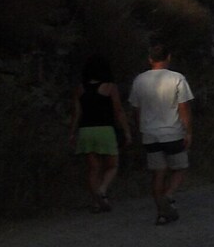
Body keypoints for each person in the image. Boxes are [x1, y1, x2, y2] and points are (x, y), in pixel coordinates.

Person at [130, 44, 193, 226]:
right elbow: (183, 107)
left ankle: (161, 211)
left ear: (150, 59)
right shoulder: (177, 79)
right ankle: (168, 195)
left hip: (150, 133)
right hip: (172, 132)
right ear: (168, 57)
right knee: (180, 167)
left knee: (158, 172)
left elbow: (136, 108)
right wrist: (188, 131)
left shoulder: (139, 80)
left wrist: (140, 127)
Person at [73, 55, 132, 213]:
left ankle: (96, 202)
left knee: (93, 169)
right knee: (112, 165)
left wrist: (72, 132)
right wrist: (126, 131)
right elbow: (118, 110)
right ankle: (102, 190)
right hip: (105, 130)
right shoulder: (109, 87)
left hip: (86, 131)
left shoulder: (80, 88)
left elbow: (77, 113)